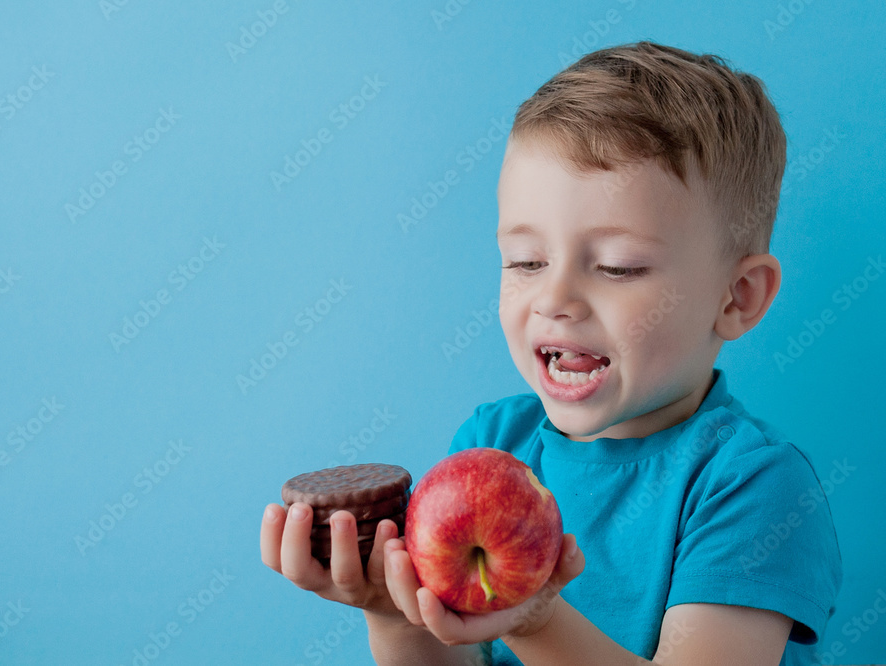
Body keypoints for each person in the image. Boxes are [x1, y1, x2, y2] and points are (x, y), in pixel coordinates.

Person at [260, 40, 842, 665]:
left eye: (618, 267)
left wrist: (537, 621)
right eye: (527, 261)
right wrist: (394, 611)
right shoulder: (491, 444)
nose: (555, 298)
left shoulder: (753, 486)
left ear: (737, 298)